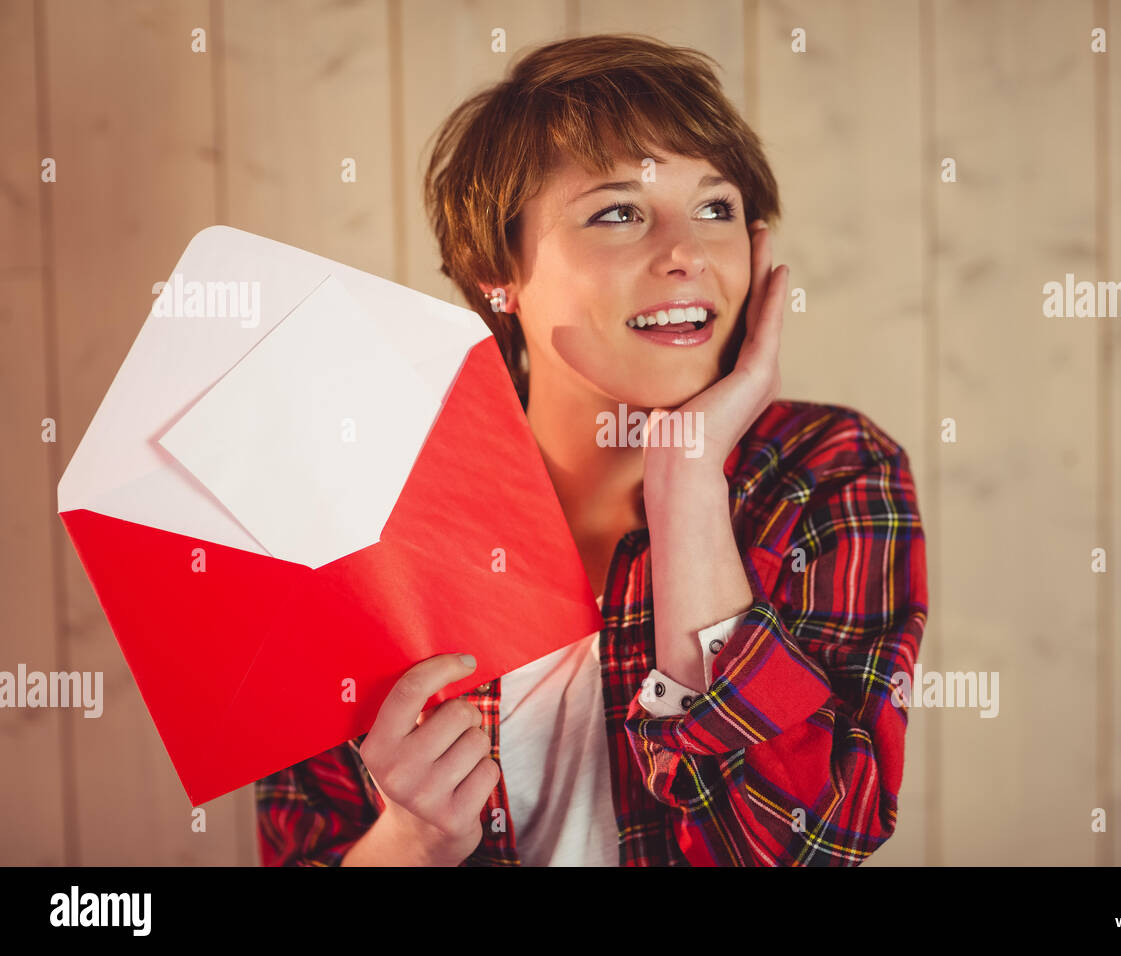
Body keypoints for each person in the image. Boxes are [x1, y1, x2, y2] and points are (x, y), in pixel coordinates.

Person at [256, 32, 927, 867]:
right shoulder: (361, 526)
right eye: (619, 212)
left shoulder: (829, 471)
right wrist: (411, 840)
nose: (687, 254)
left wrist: (686, 481)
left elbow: (816, 838)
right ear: (497, 271)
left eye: (716, 207)